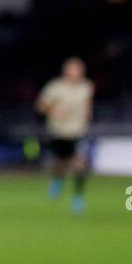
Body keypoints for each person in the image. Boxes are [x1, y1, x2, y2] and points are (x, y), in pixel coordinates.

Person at [36, 57, 95, 213]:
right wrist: (55, 111)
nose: (77, 72)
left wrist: (87, 114)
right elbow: (41, 105)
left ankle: (78, 198)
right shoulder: (55, 87)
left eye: (79, 69)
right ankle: (58, 180)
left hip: (79, 131)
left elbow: (87, 106)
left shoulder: (86, 87)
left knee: (80, 164)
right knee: (61, 163)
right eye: (73, 69)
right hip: (59, 131)